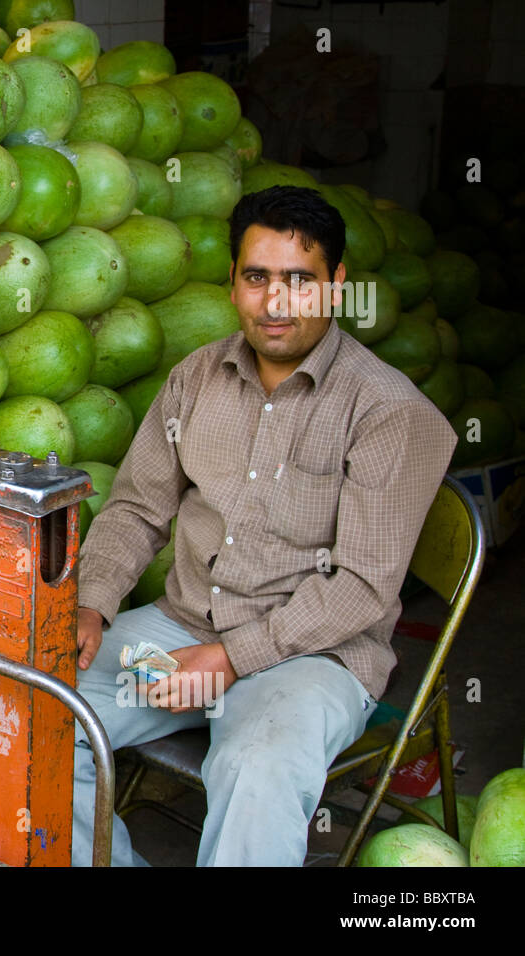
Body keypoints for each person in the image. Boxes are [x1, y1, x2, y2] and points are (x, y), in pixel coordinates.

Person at [70, 185, 458, 867]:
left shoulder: (388, 412)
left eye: (298, 280)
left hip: (312, 660)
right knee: (39, 706)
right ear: (232, 285)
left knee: (258, 766)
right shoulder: (196, 378)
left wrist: (231, 659)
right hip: (178, 644)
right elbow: (136, 507)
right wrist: (93, 603)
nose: (275, 303)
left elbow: (363, 586)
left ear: (336, 285)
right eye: (257, 278)